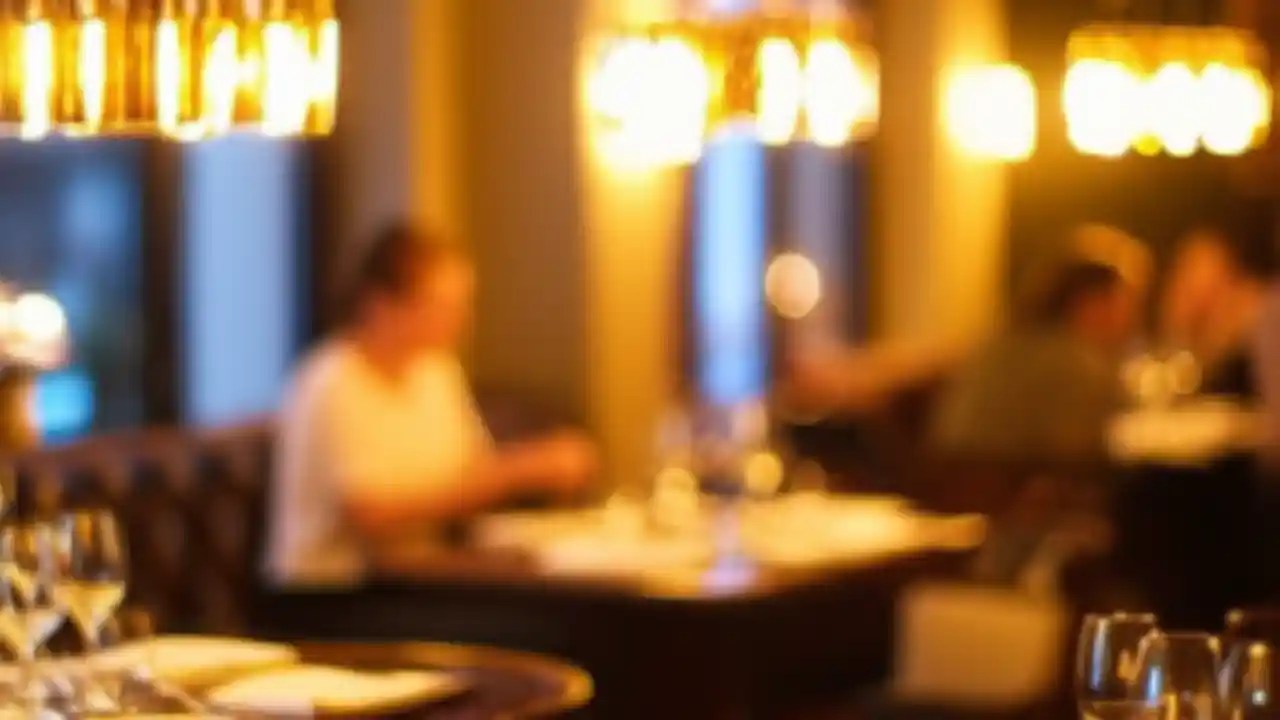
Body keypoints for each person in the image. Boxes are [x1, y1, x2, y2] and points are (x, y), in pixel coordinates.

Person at [265, 223, 597, 587]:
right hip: (335, 589)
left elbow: (471, 473)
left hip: (416, 574)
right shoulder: (333, 381)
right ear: (382, 305)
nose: (460, 321)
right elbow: (370, 517)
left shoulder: (435, 373)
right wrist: (515, 472)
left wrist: (532, 470)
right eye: (442, 305)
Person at [930, 257, 1140, 461]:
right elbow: (1079, 454)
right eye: (1122, 302)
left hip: (952, 483)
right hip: (1017, 488)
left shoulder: (997, 344)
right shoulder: (1076, 365)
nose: (1129, 317)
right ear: (1091, 303)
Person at [1161, 228, 1269, 399]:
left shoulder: (1255, 308)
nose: (1186, 278)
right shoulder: (1197, 321)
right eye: (1184, 267)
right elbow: (1178, 370)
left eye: (1195, 266)